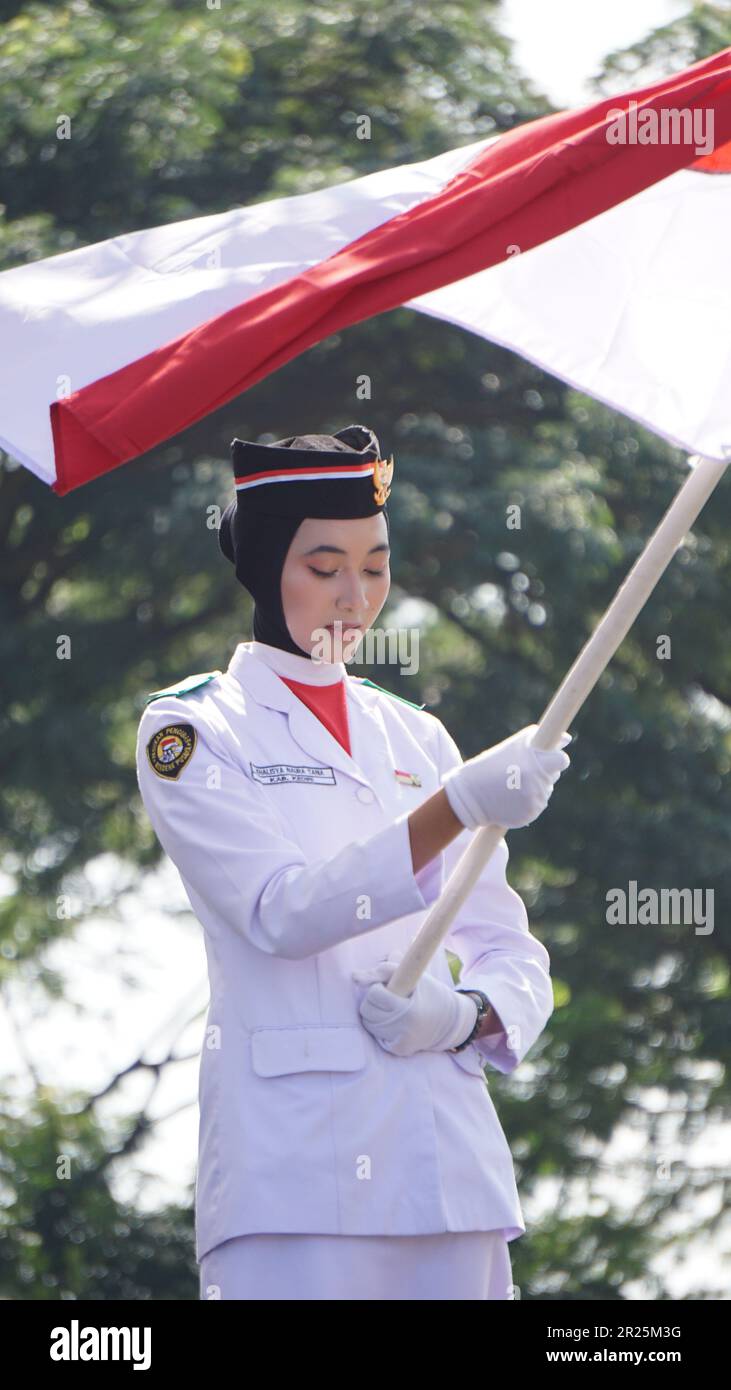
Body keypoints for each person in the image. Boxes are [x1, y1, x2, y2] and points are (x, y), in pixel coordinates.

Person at [134, 424, 571, 1301]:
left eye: (374, 567)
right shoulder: (191, 732)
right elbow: (282, 912)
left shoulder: (417, 733)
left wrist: (463, 1016)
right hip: (296, 1177)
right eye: (323, 566)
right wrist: (453, 807)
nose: (354, 597)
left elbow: (509, 949)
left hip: (450, 1171)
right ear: (263, 566)